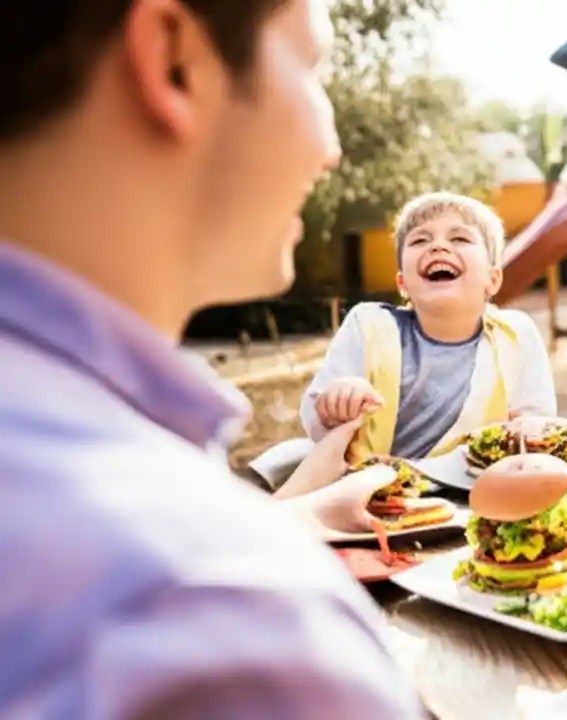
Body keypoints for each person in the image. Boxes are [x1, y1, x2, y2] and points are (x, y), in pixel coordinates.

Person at [0, 1, 423, 717]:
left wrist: (305, 511)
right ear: (174, 61)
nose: (332, 148)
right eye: (312, 65)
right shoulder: (226, 631)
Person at [249, 191, 557, 489]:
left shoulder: (515, 335)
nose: (438, 247)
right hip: (363, 483)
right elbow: (318, 419)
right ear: (403, 283)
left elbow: (537, 420)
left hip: (465, 488)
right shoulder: (369, 325)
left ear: (493, 279)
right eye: (421, 240)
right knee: (285, 457)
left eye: (460, 238)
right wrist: (338, 400)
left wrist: (528, 425)